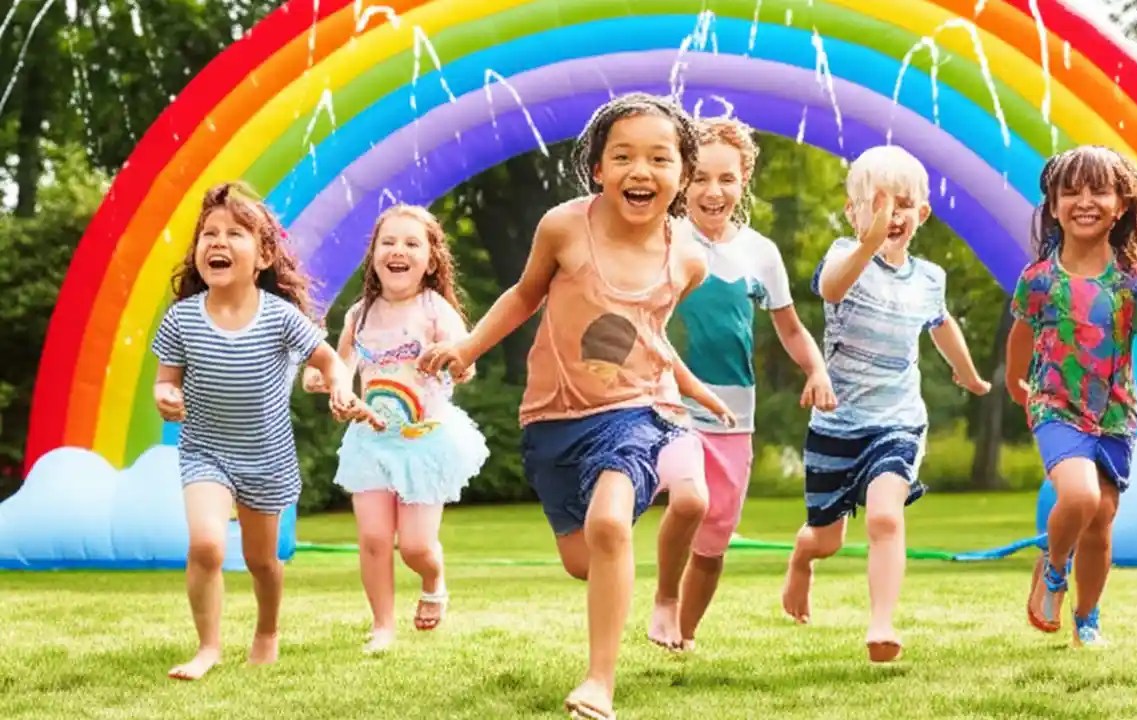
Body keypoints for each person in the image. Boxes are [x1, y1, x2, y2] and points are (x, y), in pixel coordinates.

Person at [419, 92, 732, 720]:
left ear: (680, 175)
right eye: (623, 157)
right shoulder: (564, 226)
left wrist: (688, 392)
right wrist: (467, 343)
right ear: (597, 168)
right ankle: (627, 550)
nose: (640, 171)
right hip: (552, 419)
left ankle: (599, 682)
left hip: (634, 411)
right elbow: (524, 294)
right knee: (583, 560)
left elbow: (652, 338)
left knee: (611, 525)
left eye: (659, 158)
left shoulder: (688, 259)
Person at [151, 182, 375, 680]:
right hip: (204, 451)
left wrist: (339, 387)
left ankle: (267, 630)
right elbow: (166, 383)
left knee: (261, 561)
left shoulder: (280, 318)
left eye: (234, 233)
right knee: (207, 545)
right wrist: (166, 398)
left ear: (263, 255)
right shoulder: (182, 320)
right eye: (208, 233)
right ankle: (208, 647)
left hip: (267, 458)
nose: (217, 242)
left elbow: (330, 362)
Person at [778, 145, 990, 663]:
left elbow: (941, 325)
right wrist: (868, 244)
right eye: (875, 206)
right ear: (853, 214)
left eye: (901, 205)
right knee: (826, 539)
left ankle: (881, 624)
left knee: (884, 518)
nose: (889, 216)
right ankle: (802, 559)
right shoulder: (841, 258)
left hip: (897, 422)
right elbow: (831, 290)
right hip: (837, 424)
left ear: (921, 213)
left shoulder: (929, 279)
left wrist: (967, 374)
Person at [1009, 145, 1137, 647]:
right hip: (1054, 404)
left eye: (1098, 190)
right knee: (1080, 495)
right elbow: (1019, 336)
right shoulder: (1039, 280)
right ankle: (1053, 565)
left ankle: (1086, 618)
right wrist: (1014, 380)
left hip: (1113, 414)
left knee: (1102, 517)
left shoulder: (1136, 282)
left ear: (1122, 204)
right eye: (1071, 192)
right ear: (1054, 205)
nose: (1084, 201)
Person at [671, 116, 835, 651]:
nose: (712, 191)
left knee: (713, 538)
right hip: (662, 405)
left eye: (726, 179)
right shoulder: (664, 238)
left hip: (730, 414)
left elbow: (789, 327)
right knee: (662, 502)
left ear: (744, 180)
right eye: (698, 178)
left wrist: (816, 368)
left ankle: (682, 635)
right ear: (680, 181)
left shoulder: (760, 254)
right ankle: (652, 604)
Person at [303, 204, 488, 653]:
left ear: (430, 260)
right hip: (371, 441)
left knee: (416, 547)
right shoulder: (359, 315)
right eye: (388, 242)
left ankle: (434, 579)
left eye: (411, 243)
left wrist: (457, 363)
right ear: (374, 255)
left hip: (424, 442)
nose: (398, 251)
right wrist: (329, 383)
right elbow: (343, 366)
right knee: (372, 538)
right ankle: (382, 626)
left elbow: (467, 358)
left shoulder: (434, 308)